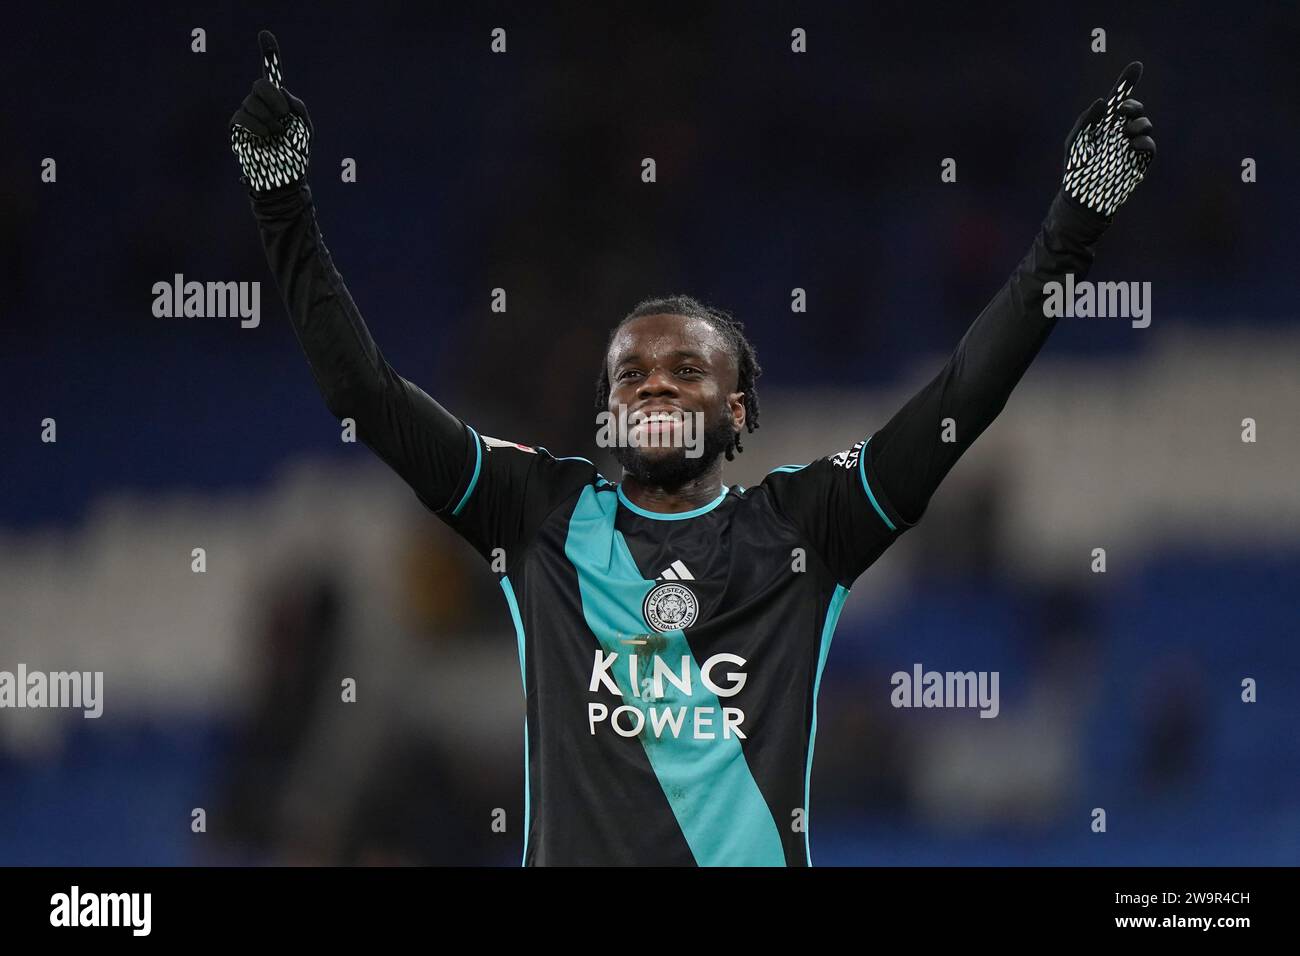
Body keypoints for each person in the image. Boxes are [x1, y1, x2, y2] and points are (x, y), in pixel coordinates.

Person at [231, 31, 1155, 866]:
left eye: (688, 369)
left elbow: (964, 394)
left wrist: (1069, 233)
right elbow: (367, 394)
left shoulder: (805, 529)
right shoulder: (540, 515)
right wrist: (284, 212)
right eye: (634, 371)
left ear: (738, 415)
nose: (659, 384)